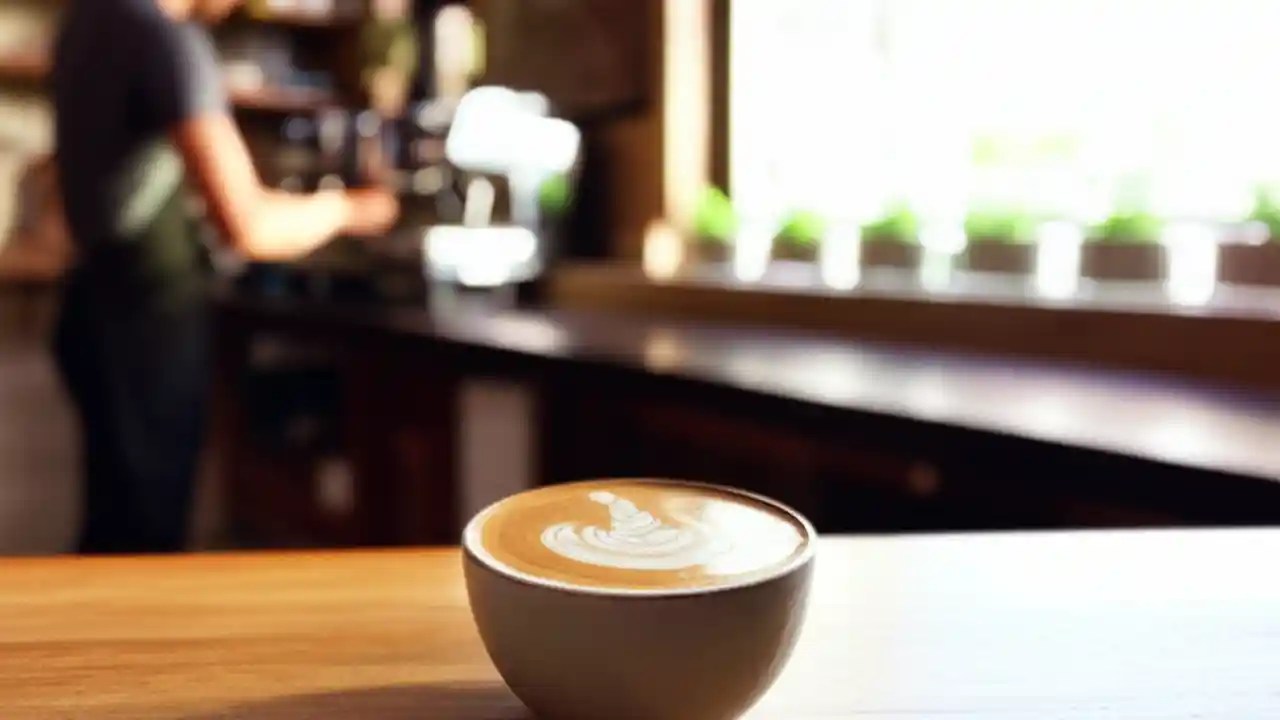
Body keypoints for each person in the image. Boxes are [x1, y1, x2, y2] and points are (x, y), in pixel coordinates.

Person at [52, 0, 400, 553]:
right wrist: (357, 209)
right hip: (147, 323)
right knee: (145, 543)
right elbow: (251, 226)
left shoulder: (90, 21)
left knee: (113, 534)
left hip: (93, 308)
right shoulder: (166, 41)